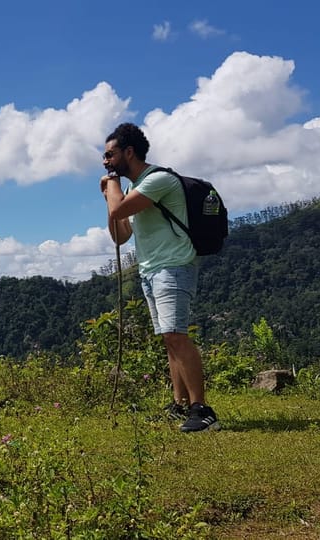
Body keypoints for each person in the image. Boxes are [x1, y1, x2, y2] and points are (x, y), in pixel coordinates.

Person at [100, 122, 220, 432]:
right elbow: (121, 235)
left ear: (129, 152)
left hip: (173, 266)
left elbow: (120, 211)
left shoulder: (159, 180)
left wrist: (112, 189)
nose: (106, 161)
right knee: (169, 339)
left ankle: (202, 410)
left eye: (110, 154)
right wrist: (110, 198)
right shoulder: (132, 190)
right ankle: (179, 405)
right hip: (152, 270)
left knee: (176, 335)